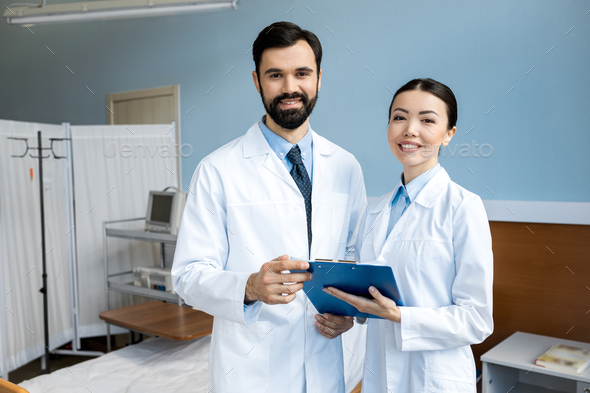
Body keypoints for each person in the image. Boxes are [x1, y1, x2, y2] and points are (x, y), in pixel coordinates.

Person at [172, 22, 367, 393]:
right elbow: (188, 276)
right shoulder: (217, 170)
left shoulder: (346, 166)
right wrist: (248, 287)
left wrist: (350, 315)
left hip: (325, 363)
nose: (290, 87)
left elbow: (356, 258)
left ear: (319, 78)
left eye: (302, 74)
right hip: (250, 371)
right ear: (257, 81)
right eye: (275, 75)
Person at [325, 78, 493, 392]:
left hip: (435, 377)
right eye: (399, 117)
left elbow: (476, 320)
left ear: (449, 135)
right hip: (380, 376)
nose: (410, 130)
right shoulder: (373, 211)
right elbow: (369, 296)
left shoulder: (464, 207)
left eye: (427, 120)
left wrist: (401, 316)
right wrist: (348, 314)